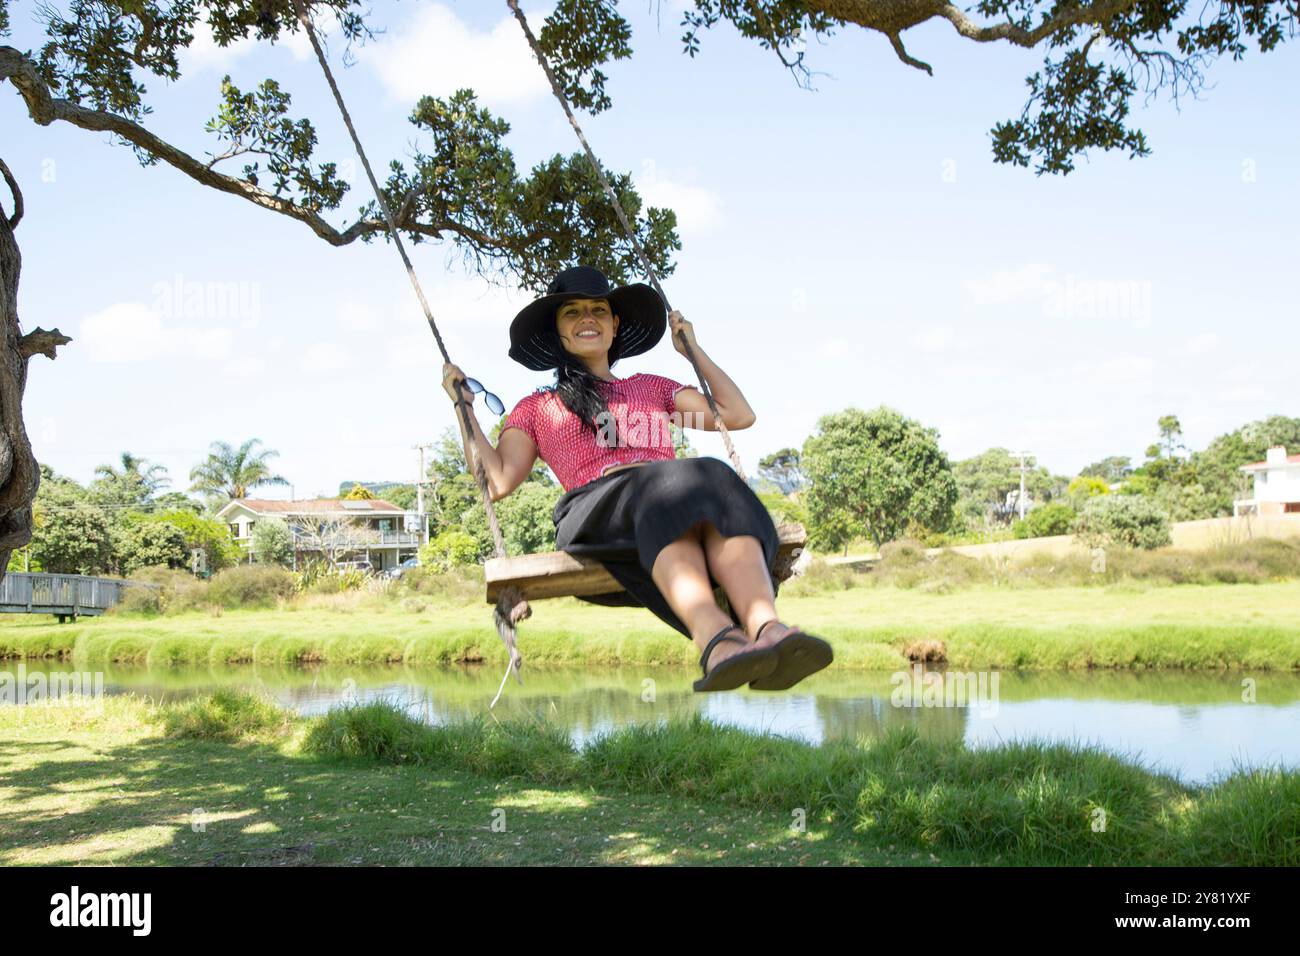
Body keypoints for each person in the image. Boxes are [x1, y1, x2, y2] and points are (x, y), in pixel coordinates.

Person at [442, 265, 832, 692]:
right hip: (595, 512)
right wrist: (465, 411)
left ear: (615, 326)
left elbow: (737, 415)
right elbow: (495, 481)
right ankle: (716, 639)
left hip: (669, 502)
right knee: (662, 489)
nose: (587, 318)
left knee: (714, 477)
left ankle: (766, 627)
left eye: (598, 310)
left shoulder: (652, 388)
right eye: (572, 313)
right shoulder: (537, 408)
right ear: (558, 333)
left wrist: (693, 352)